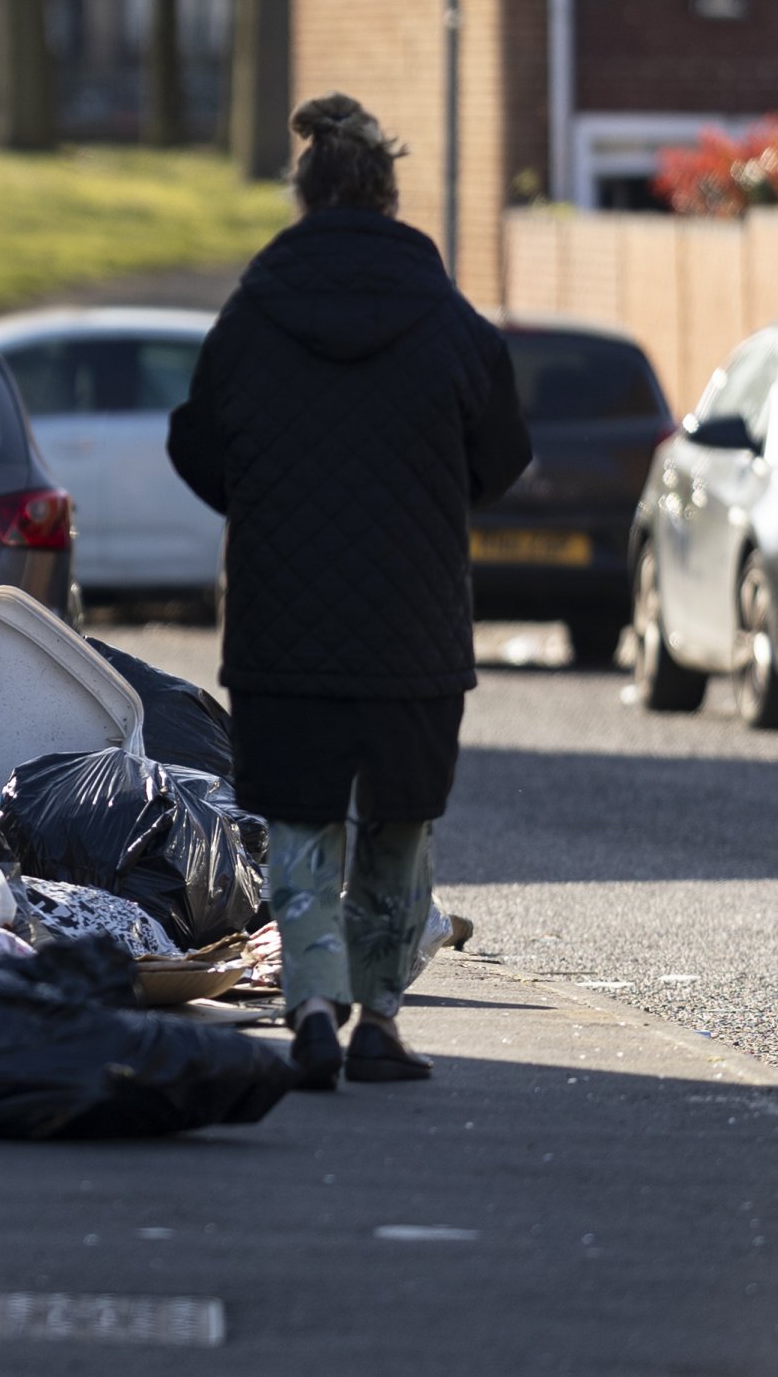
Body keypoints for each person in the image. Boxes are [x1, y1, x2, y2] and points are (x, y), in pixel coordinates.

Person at [166, 94, 531, 1091]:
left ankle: (311, 1005)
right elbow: (504, 449)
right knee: (399, 823)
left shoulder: (254, 311)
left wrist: (264, 500)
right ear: (387, 194)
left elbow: (196, 444)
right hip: (414, 625)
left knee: (298, 823)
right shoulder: (445, 317)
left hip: (281, 624)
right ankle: (379, 1018)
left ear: (304, 192)